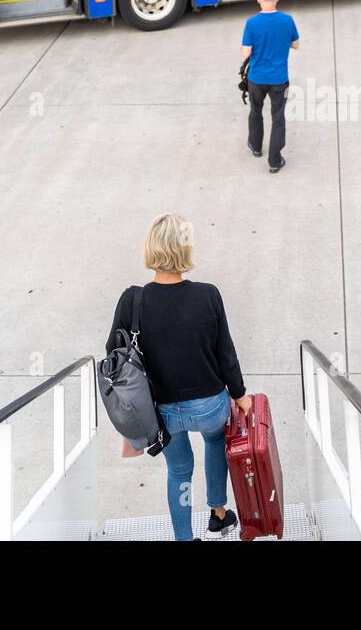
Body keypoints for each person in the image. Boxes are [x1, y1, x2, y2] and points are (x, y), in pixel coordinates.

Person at [105, 213, 252, 541]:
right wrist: (240, 394)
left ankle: (185, 538)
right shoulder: (208, 295)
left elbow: (114, 356)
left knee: (179, 471)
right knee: (215, 440)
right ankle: (218, 514)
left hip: (163, 412)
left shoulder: (133, 300)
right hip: (209, 406)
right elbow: (225, 353)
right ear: (185, 249)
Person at [241, 0, 299, 173]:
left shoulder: (251, 23)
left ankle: (256, 147)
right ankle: (274, 161)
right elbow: (295, 44)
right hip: (279, 80)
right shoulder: (287, 20)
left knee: (256, 111)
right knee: (278, 118)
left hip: (256, 79)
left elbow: (245, 52)